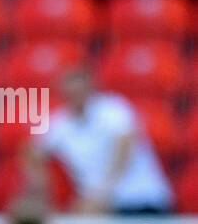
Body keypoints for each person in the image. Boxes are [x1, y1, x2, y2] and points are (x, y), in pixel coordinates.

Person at [29, 67, 173, 214]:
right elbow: (33, 151)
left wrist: (101, 193)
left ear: (91, 88)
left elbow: (124, 149)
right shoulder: (60, 122)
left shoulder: (114, 109)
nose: (75, 96)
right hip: (99, 203)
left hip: (140, 199)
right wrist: (40, 188)